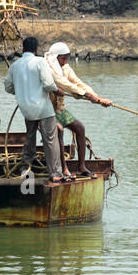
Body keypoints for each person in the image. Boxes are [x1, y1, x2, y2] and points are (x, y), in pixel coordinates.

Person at [4, 35, 67, 183]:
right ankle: (55, 172)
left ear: (23, 49)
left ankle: (25, 168)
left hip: (26, 109)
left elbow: (8, 87)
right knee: (50, 140)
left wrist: (20, 91)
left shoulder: (15, 65)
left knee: (30, 137)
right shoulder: (40, 62)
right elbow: (48, 84)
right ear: (36, 49)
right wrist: (57, 90)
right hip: (43, 109)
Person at [45, 42, 112, 177]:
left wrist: (96, 97)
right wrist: (90, 97)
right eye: (62, 59)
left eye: (66, 58)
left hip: (58, 109)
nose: (65, 62)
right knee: (59, 130)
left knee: (80, 128)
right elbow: (66, 85)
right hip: (45, 110)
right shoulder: (48, 68)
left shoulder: (66, 68)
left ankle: (82, 167)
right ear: (55, 57)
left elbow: (78, 83)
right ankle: (64, 169)